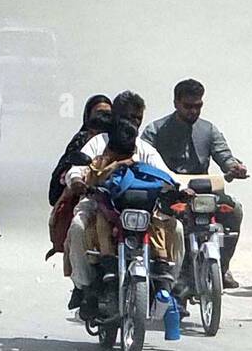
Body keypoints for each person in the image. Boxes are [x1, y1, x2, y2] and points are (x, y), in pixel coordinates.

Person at [63, 90, 171, 315]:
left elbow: (166, 175)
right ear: (115, 115)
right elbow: (76, 170)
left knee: (176, 229)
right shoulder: (98, 144)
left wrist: (180, 189)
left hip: (140, 208)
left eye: (137, 119)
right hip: (99, 203)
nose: (134, 123)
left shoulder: (144, 149)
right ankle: (86, 288)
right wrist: (76, 181)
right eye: (128, 117)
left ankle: (167, 285)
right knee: (77, 227)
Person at [143, 78, 247, 288]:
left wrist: (233, 167)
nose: (193, 111)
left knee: (234, 211)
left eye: (198, 106)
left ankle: (223, 267)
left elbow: (224, 155)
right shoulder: (155, 130)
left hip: (202, 192)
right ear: (176, 103)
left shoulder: (209, 130)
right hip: (170, 193)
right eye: (188, 106)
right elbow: (143, 159)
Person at [48, 94, 113, 206]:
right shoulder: (82, 139)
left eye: (107, 113)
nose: (103, 117)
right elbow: (65, 170)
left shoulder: (118, 140)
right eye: (99, 113)